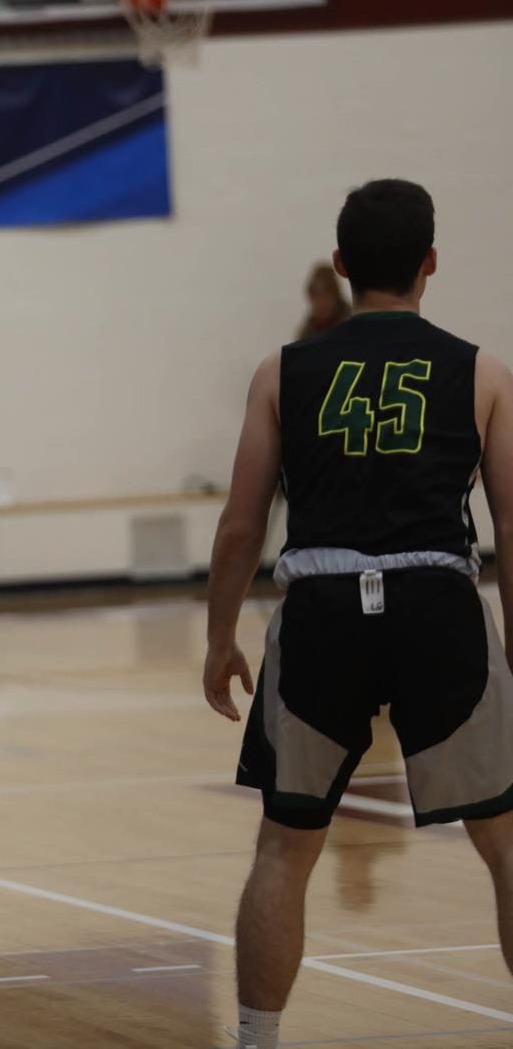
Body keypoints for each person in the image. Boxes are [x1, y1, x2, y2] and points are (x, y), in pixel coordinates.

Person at [203, 179, 513, 1049]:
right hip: (437, 604)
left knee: (285, 848)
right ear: (431, 264)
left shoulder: (283, 370)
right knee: (504, 839)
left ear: (341, 268)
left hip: (323, 610)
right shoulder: (483, 370)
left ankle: (259, 1039)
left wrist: (220, 636)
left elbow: (240, 525)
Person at [294, 262, 351, 342]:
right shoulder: (306, 334)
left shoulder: (352, 325)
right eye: (316, 296)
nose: (321, 303)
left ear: (335, 297)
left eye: (326, 296)